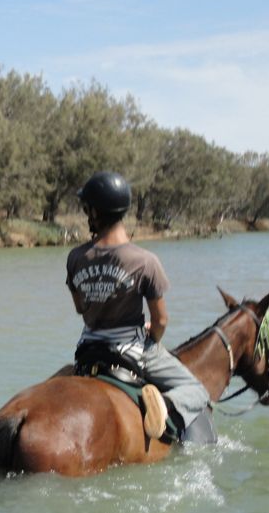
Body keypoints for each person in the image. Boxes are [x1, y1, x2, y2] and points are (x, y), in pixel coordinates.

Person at [66, 171, 210, 441]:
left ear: (95, 212)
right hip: (130, 349)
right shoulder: (145, 261)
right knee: (198, 391)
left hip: (87, 349)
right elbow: (161, 321)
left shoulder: (75, 257)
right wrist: (151, 336)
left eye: (87, 209)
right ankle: (163, 405)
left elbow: (81, 308)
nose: (87, 214)